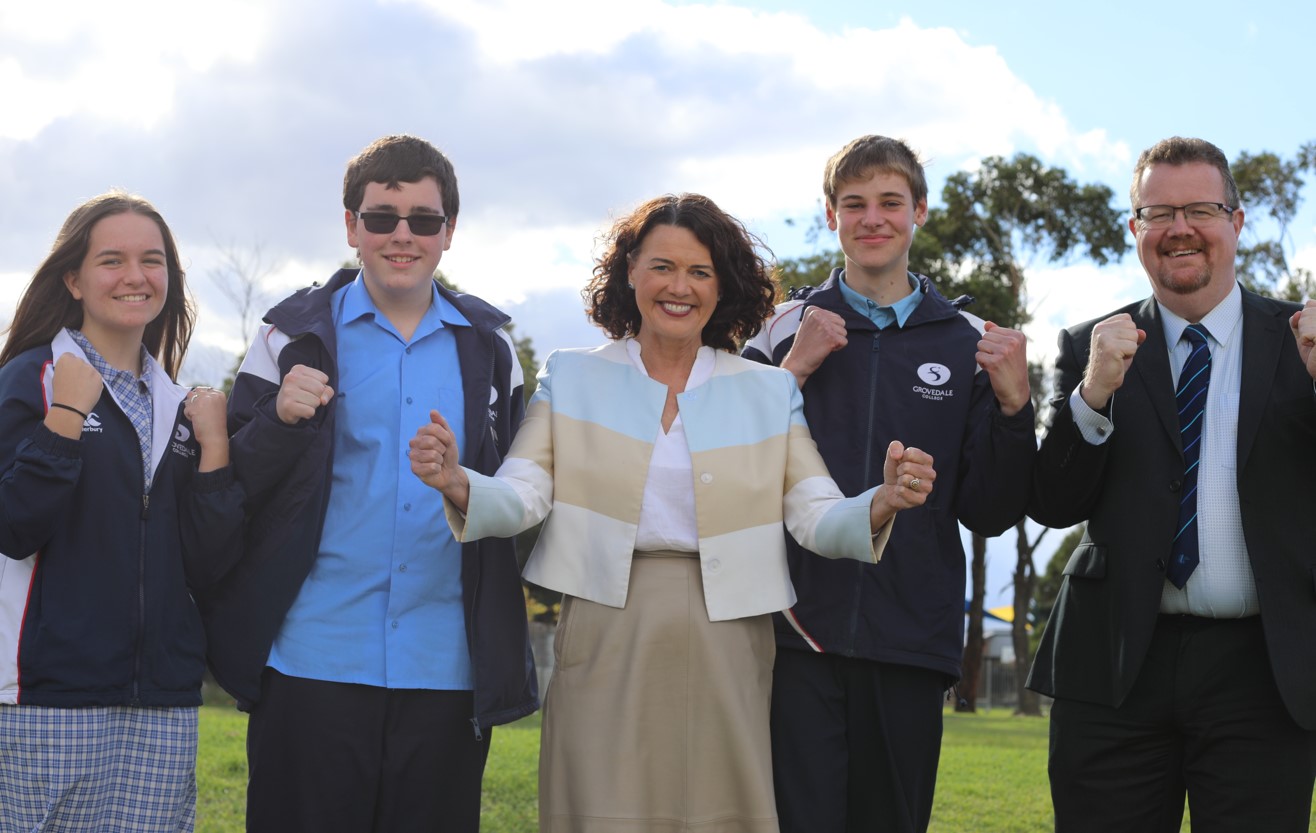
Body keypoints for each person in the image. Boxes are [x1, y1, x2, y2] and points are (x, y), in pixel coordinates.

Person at [409, 192, 937, 833]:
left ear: (723, 286)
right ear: (630, 269)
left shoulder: (768, 389)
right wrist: (457, 481)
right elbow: (525, 491)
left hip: (729, 634)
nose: (679, 287)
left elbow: (814, 514)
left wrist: (880, 502)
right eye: (662, 266)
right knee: (598, 808)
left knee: (720, 813)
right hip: (602, 624)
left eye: (699, 272)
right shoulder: (572, 376)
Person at [195, 135, 537, 833]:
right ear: (351, 225)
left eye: (423, 219)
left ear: (449, 231)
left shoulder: (494, 350)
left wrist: (462, 480)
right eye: (382, 217)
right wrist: (280, 421)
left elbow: (520, 493)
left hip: (447, 667)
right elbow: (233, 487)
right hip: (310, 657)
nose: (402, 235)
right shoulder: (284, 338)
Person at [741, 135, 1036, 833]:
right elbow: (729, 473)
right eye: (854, 204)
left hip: (909, 642)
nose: (872, 218)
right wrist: (795, 370)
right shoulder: (778, 332)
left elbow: (989, 510)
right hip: (793, 636)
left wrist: (1015, 408)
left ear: (919, 211)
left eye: (890, 202)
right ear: (831, 215)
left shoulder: (969, 341)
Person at [1026, 136, 1316, 832]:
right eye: (1159, 213)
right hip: (1112, 666)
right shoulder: (1091, 346)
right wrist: (1093, 394)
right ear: (1136, 229)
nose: (1179, 228)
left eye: (1200, 210)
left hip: (1265, 671)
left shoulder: (1302, 341)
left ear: (1236, 222)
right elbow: (1055, 502)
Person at [0, 191, 243, 832]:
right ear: (73, 279)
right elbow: (13, 526)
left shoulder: (183, 406)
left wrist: (216, 449)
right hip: (45, 699)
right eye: (112, 260)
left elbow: (208, 565)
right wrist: (65, 417)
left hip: (163, 702)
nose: (135, 276)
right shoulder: (30, 379)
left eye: (151, 260)